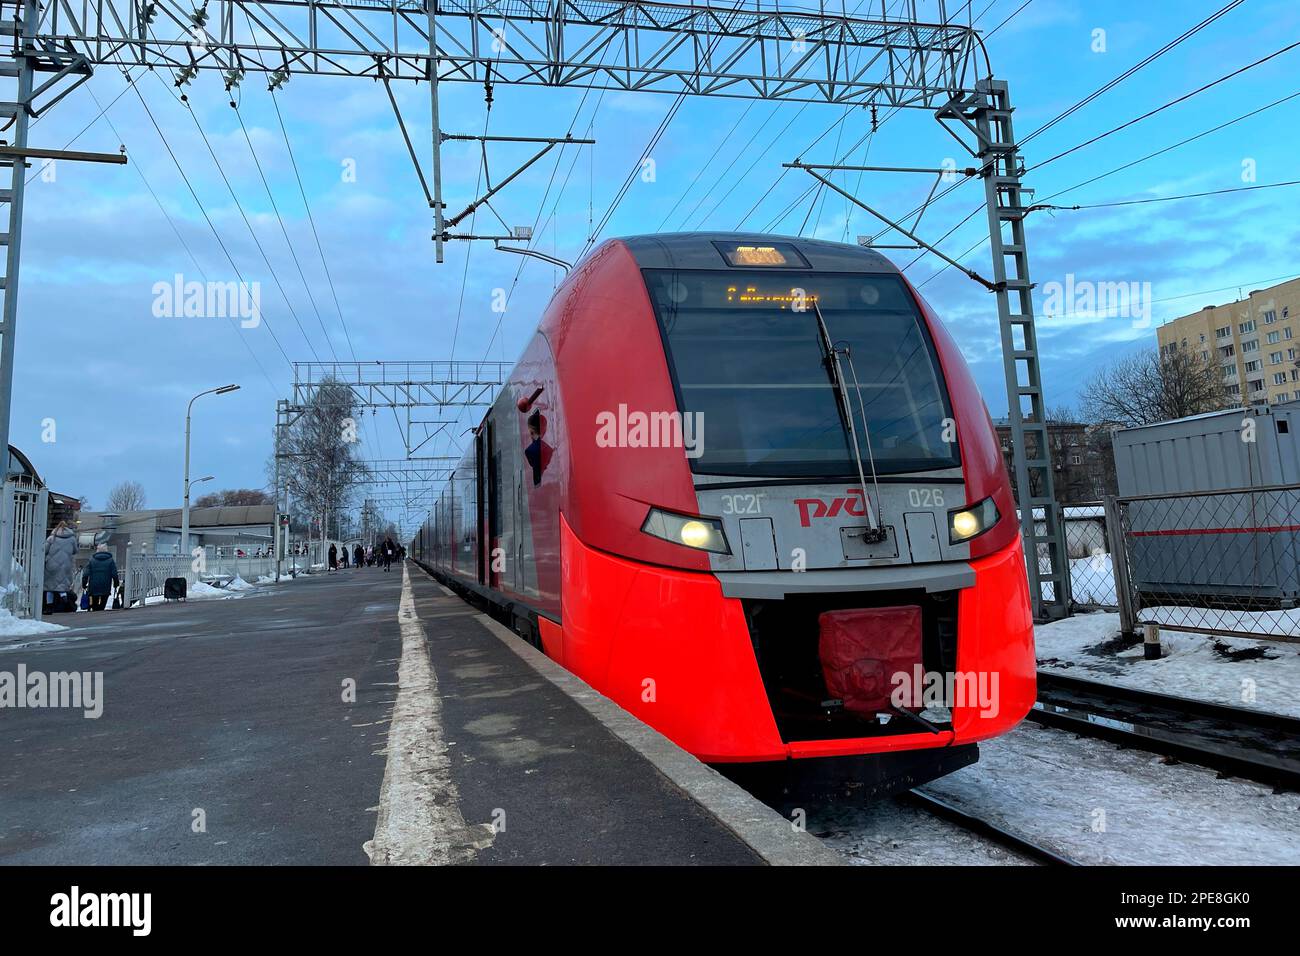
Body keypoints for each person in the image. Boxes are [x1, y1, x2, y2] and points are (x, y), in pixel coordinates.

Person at [43, 520, 78, 613]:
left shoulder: (52, 538)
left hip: (51, 565)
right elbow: (75, 550)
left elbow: (44, 550)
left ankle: (49, 607)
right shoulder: (72, 539)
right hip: (66, 566)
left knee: (49, 587)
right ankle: (65, 600)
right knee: (62, 586)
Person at [81, 543, 119, 612]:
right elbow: (114, 574)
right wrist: (116, 583)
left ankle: (94, 611)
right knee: (103, 604)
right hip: (105, 585)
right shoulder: (110, 560)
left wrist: (84, 583)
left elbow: (85, 574)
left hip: (93, 586)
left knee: (94, 604)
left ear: (97, 550)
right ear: (106, 550)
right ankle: (101, 611)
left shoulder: (92, 560)